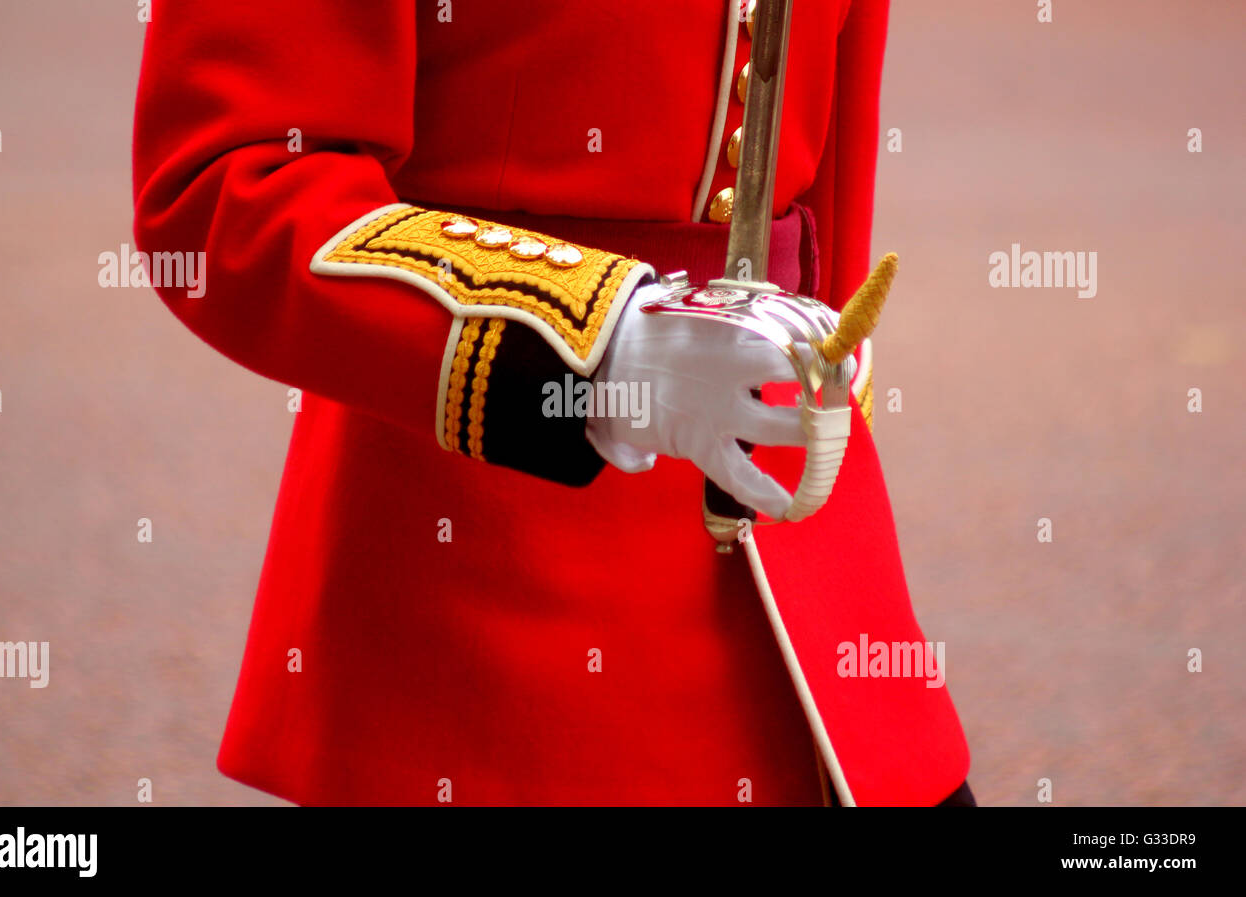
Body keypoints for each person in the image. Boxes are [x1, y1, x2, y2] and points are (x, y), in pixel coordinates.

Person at [133, 0, 972, 806]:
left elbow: (818, 155)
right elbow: (228, 182)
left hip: (800, 574)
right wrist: (589, 343)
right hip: (484, 584)